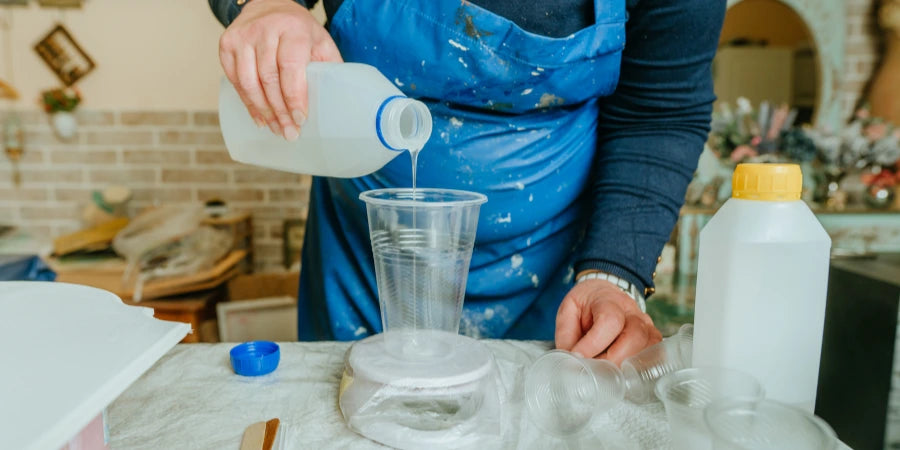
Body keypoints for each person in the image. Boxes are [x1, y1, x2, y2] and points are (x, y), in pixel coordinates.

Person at [209, 0, 725, 364]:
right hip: (364, 266)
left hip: (555, 284)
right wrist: (266, 4)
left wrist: (614, 275)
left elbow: (660, 112)